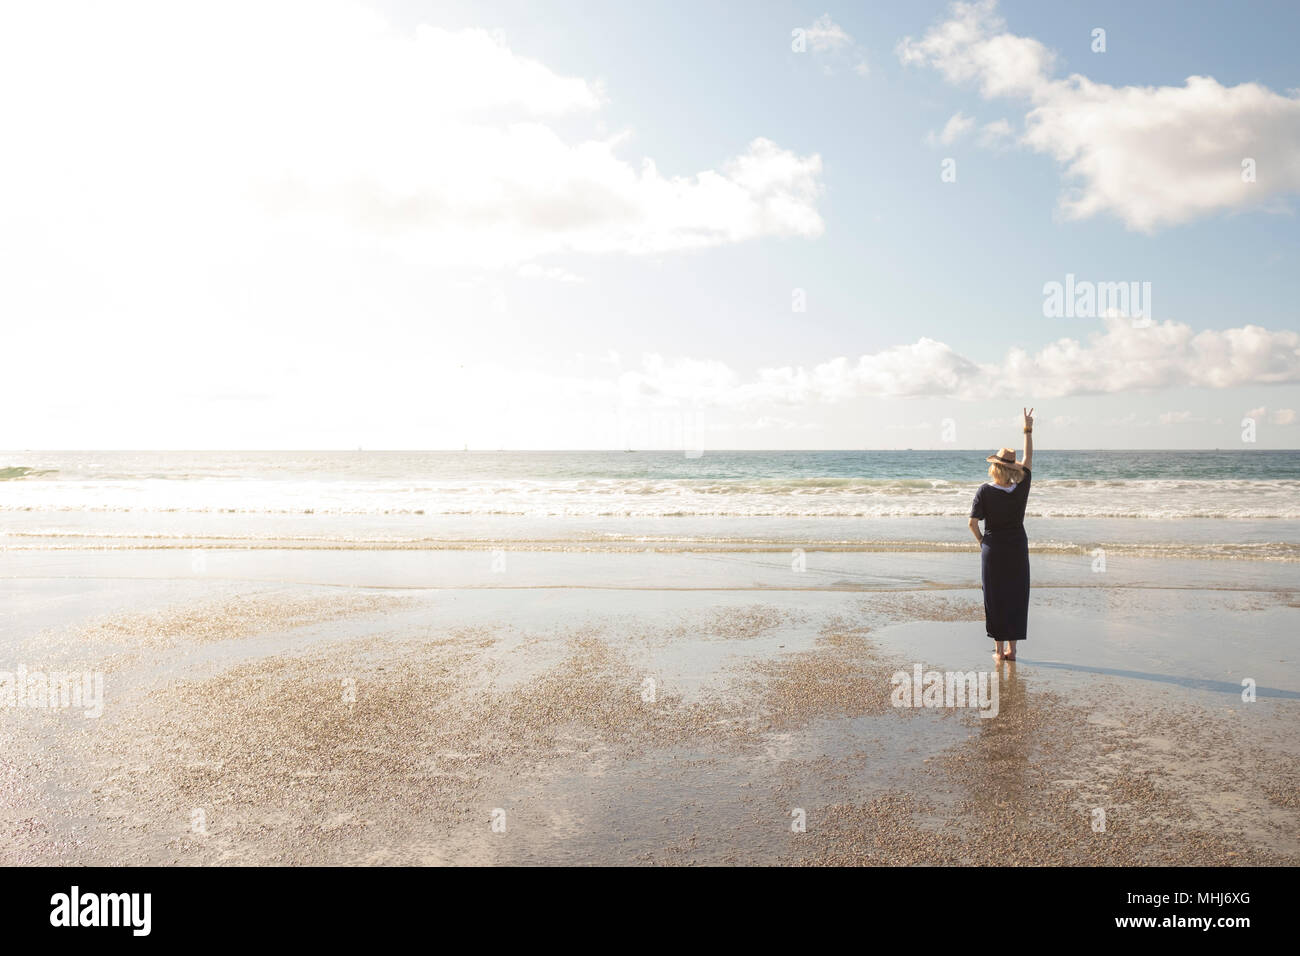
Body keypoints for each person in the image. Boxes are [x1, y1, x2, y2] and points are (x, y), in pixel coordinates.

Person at [968, 408, 1034, 662]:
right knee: (1016, 594)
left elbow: (973, 524)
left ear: (995, 467)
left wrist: (983, 542)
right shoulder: (1021, 487)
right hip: (1017, 546)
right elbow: (1028, 457)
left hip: (993, 547)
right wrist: (1027, 429)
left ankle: (998, 651)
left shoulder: (984, 491)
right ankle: (1013, 651)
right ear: (1012, 468)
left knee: (995, 595)